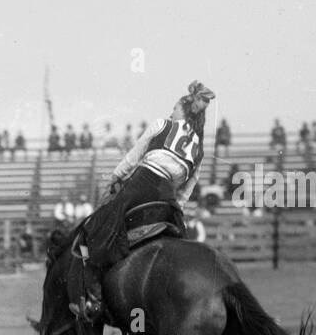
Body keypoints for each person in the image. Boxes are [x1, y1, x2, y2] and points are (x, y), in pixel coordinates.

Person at [70, 81, 215, 322]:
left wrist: (116, 177)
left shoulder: (161, 125)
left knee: (94, 227)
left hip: (141, 184)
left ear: (185, 109)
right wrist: (176, 208)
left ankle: (94, 295)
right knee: (182, 243)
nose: (172, 112)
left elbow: (133, 156)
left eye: (175, 108)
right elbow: (187, 189)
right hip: (168, 197)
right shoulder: (199, 149)